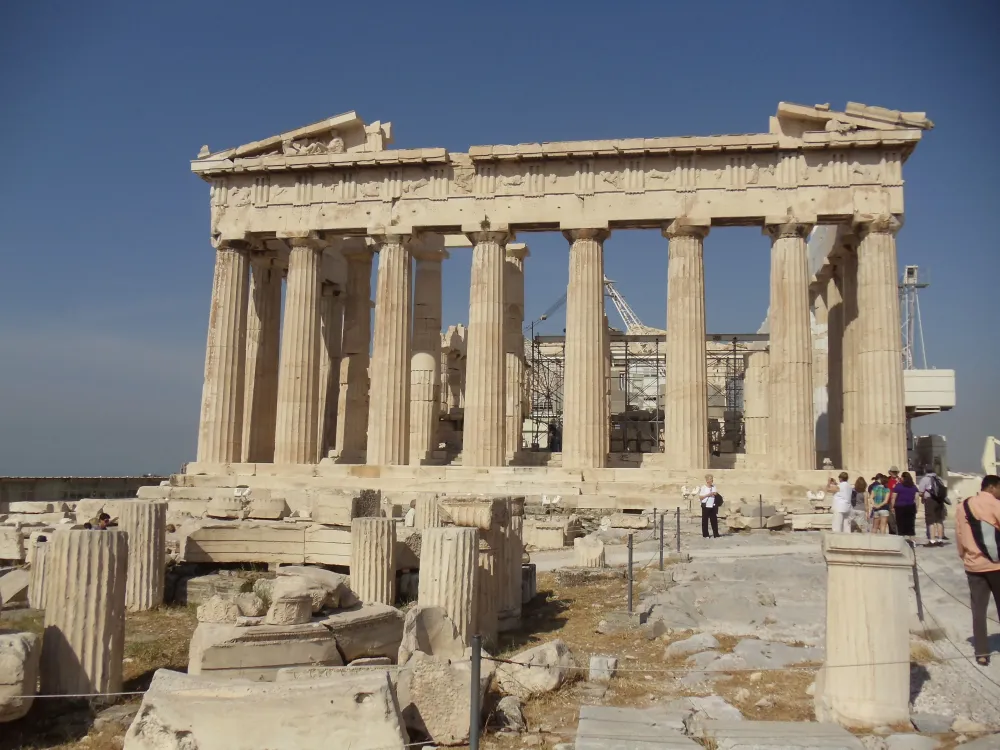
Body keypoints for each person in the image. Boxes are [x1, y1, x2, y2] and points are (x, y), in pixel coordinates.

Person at [955, 474, 1000, 667]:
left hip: (973, 565)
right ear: (991, 488)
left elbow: (958, 534)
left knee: (978, 610)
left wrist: (964, 555)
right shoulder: (996, 505)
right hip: (996, 565)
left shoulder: (963, 506)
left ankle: (981, 652)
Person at [917, 466, 948, 546]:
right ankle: (940, 540)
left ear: (925, 470)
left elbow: (921, 492)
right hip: (939, 501)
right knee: (939, 520)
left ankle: (932, 540)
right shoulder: (939, 479)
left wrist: (922, 497)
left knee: (931, 521)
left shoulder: (925, 479)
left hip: (930, 500)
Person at [890, 471, 919, 540]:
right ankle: (912, 540)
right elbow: (917, 498)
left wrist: (892, 507)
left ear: (903, 478)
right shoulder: (914, 487)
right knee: (911, 525)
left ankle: (901, 540)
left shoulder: (898, 486)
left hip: (900, 507)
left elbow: (893, 497)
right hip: (911, 506)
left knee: (900, 524)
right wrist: (917, 508)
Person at [699, 474, 721, 539]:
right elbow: (701, 497)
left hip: (713, 505)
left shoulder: (714, 487)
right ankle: (705, 534)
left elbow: (716, 493)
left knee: (714, 520)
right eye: (711, 479)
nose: (712, 480)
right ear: (707, 480)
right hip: (706, 505)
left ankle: (716, 534)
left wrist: (715, 493)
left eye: (712, 479)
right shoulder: (703, 487)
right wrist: (708, 494)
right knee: (705, 520)